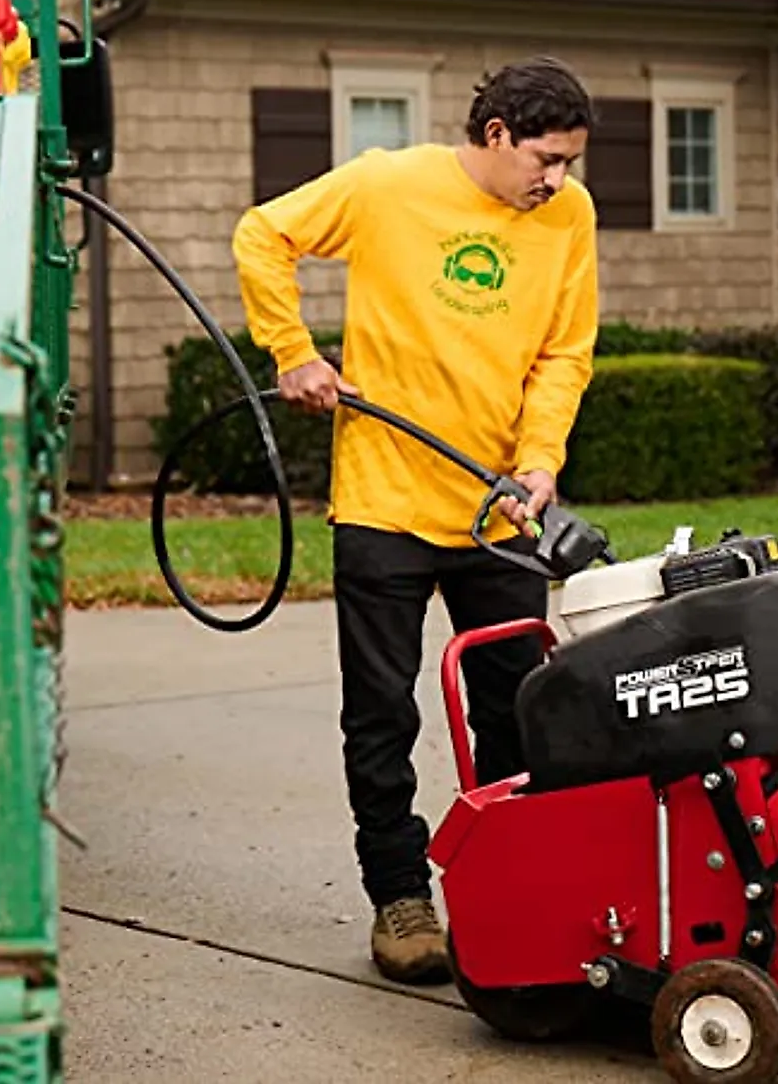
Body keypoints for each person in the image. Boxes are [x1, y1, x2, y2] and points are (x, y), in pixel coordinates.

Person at [231, 56, 599, 985]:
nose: (556, 181)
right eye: (545, 159)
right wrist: (292, 351)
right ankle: (400, 898)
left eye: (570, 164)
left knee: (520, 710)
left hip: (497, 511)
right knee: (381, 715)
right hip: (384, 503)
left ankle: (515, 881)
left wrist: (541, 461)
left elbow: (564, 350)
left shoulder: (568, 217)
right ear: (496, 135)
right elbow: (262, 234)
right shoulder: (388, 183)